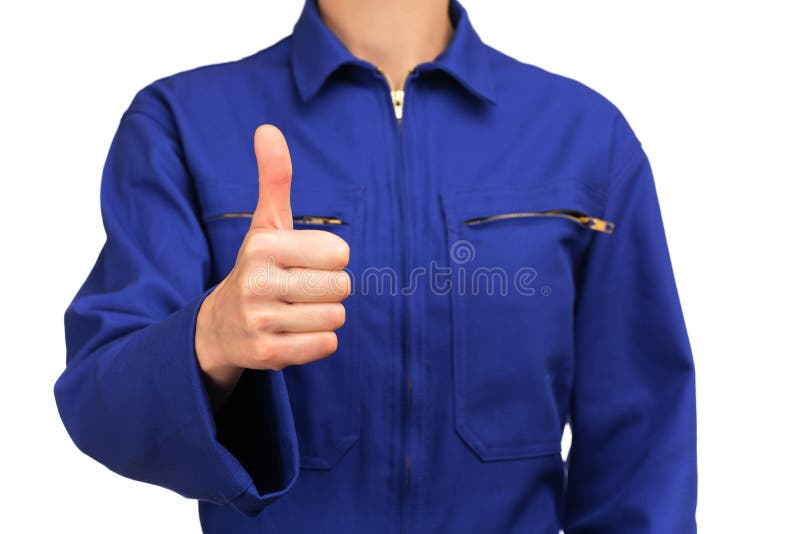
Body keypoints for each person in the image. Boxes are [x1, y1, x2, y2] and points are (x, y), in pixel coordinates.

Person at [54, 0, 698, 532]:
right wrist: (209, 339)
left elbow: (642, 442)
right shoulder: (180, 123)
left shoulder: (584, 136)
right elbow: (99, 404)